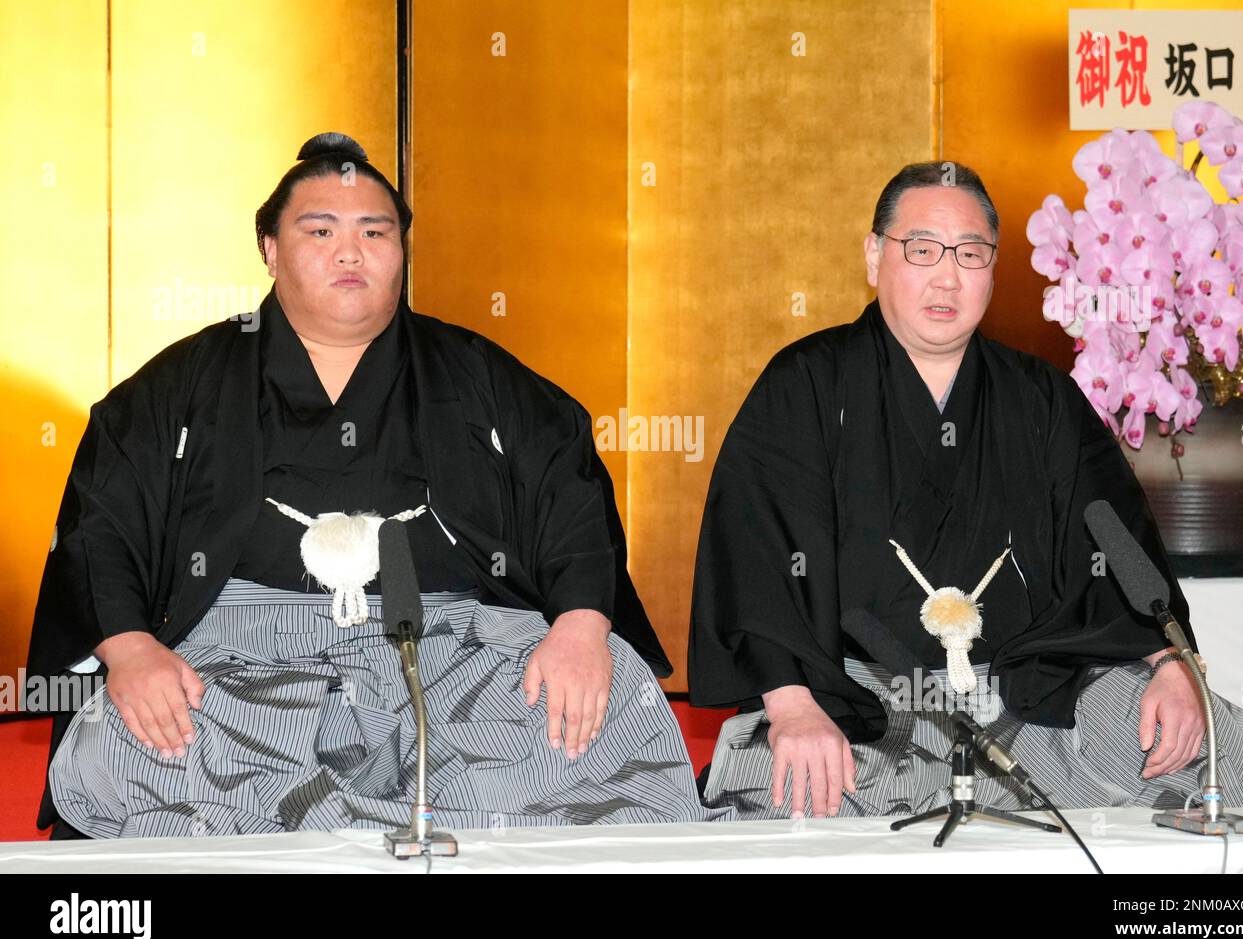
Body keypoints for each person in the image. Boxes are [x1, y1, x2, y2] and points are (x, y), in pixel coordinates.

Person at [30, 132, 728, 838]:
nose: (350, 250)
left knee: (610, 706)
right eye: (320, 229)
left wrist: (580, 625)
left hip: (454, 651)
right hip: (238, 666)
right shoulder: (179, 387)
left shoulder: (479, 376)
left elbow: (569, 494)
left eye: (375, 231)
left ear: (402, 249)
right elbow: (102, 524)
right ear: (270, 248)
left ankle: (350, 826)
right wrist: (131, 649)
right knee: (123, 740)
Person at [688, 161, 1243, 820]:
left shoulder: (1041, 398)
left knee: (1197, 738)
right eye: (922, 249)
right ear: (875, 256)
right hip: (859, 700)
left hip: (1026, 695)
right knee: (781, 775)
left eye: (970, 253)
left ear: (993, 269)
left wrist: (1170, 660)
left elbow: (1114, 538)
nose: (946, 275)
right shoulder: (808, 386)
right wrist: (792, 705)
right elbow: (760, 555)